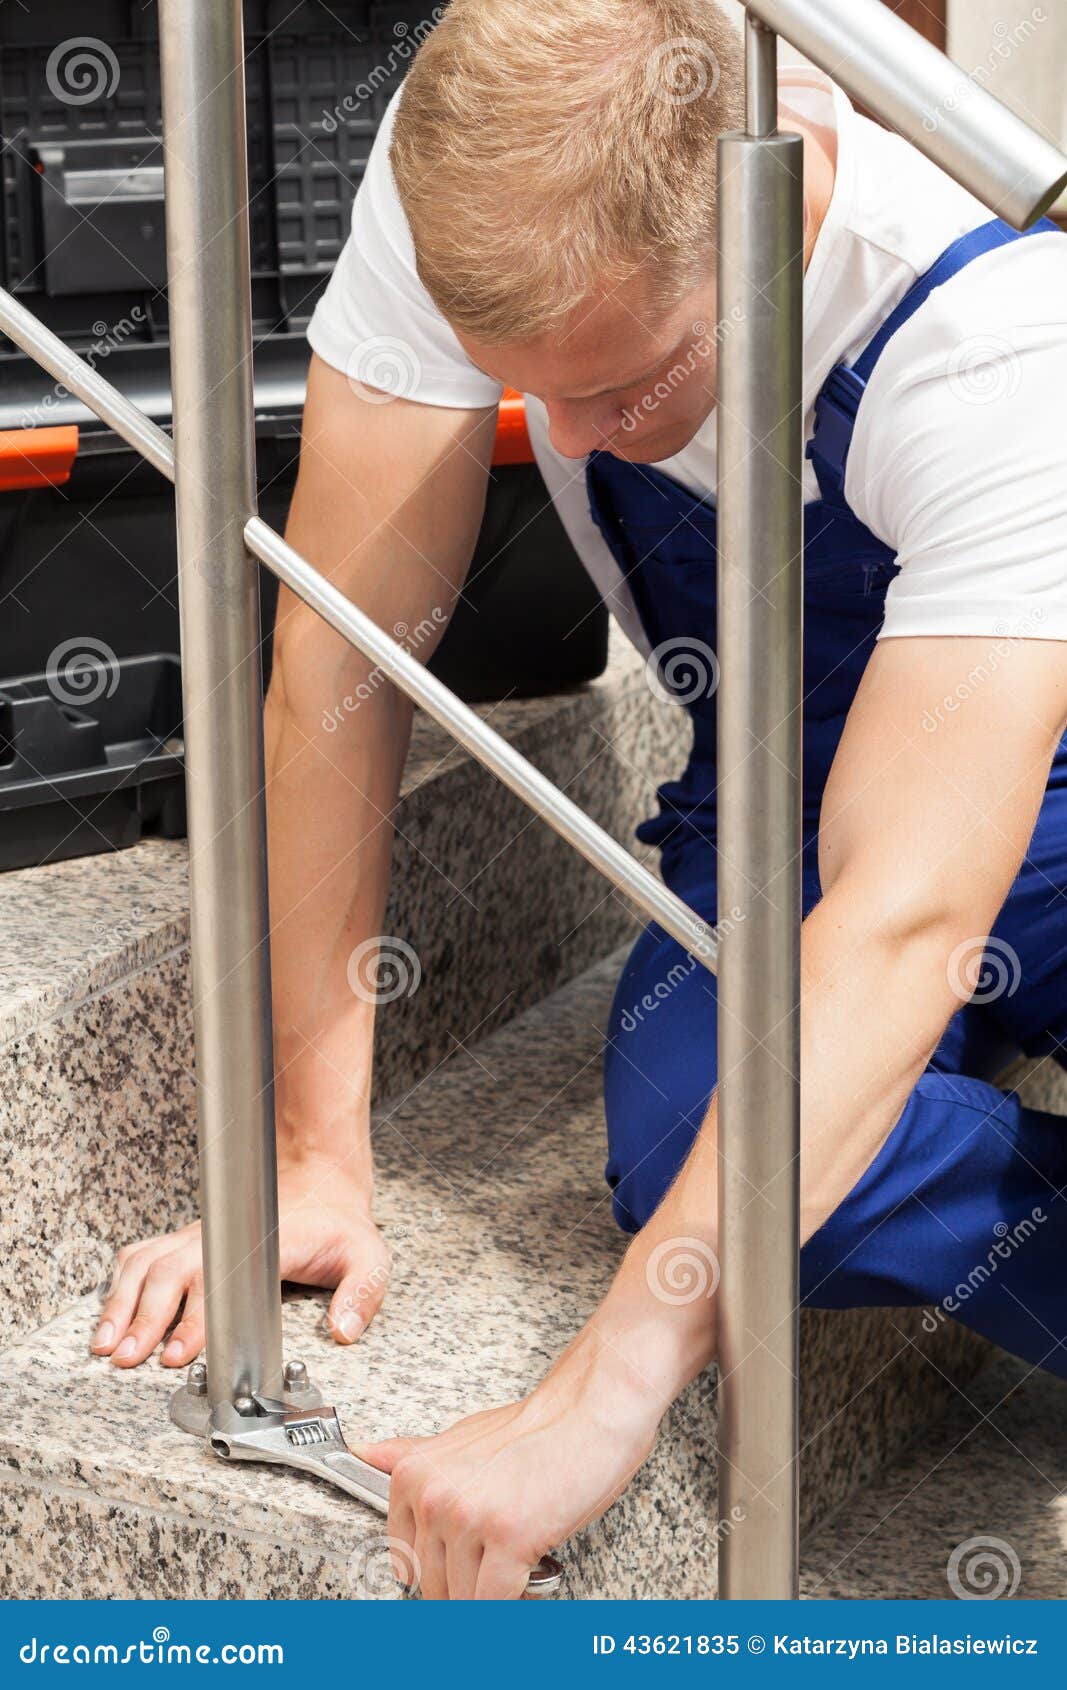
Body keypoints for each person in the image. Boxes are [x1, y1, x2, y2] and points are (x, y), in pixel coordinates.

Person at [92, 0, 1067, 1599]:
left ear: (763, 214)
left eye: (623, 383)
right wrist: (311, 1152)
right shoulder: (474, 188)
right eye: (520, 394)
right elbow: (339, 672)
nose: (570, 439)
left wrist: (594, 1395)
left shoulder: (991, 331)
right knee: (708, 1134)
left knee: (776, 1140)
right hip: (780, 780)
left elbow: (901, 920)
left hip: (1034, 756)